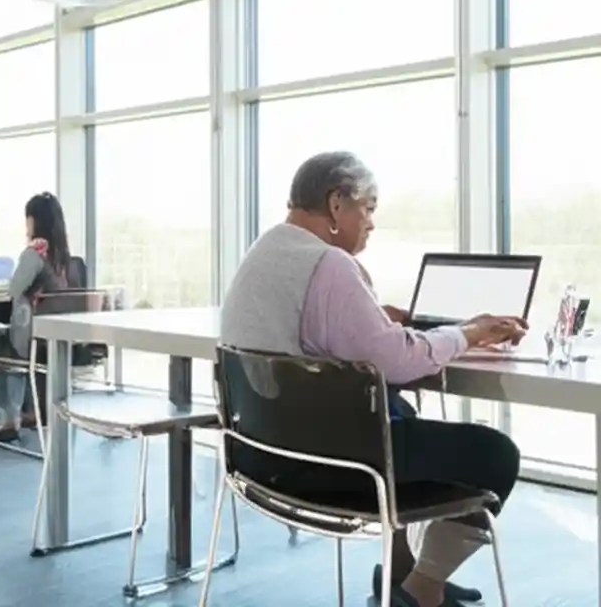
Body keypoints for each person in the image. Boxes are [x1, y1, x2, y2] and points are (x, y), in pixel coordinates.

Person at [220, 151, 525, 607]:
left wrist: (374, 320)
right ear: (337, 202)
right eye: (369, 207)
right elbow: (398, 362)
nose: (372, 222)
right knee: (494, 454)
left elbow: (311, 336)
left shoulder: (266, 251)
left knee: (396, 409)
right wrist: (468, 332)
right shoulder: (330, 264)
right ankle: (424, 591)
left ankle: (401, 573)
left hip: (259, 455)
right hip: (328, 467)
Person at [0, 192, 82, 442]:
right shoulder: (66, 257)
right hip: (58, 337)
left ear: (34, 220)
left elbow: (14, 289)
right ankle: (33, 410)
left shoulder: (35, 253)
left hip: (33, 338)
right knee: (20, 344)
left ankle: (10, 418)